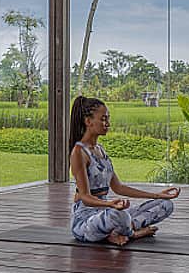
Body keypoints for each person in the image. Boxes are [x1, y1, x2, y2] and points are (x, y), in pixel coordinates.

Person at [69, 95, 180, 246]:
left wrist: (157, 194)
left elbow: (119, 187)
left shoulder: (100, 151)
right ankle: (132, 233)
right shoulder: (79, 152)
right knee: (119, 216)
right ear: (88, 122)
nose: (107, 123)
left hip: (106, 213)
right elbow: (85, 197)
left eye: (108, 119)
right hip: (86, 221)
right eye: (103, 119)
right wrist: (110, 205)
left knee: (165, 204)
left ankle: (116, 232)